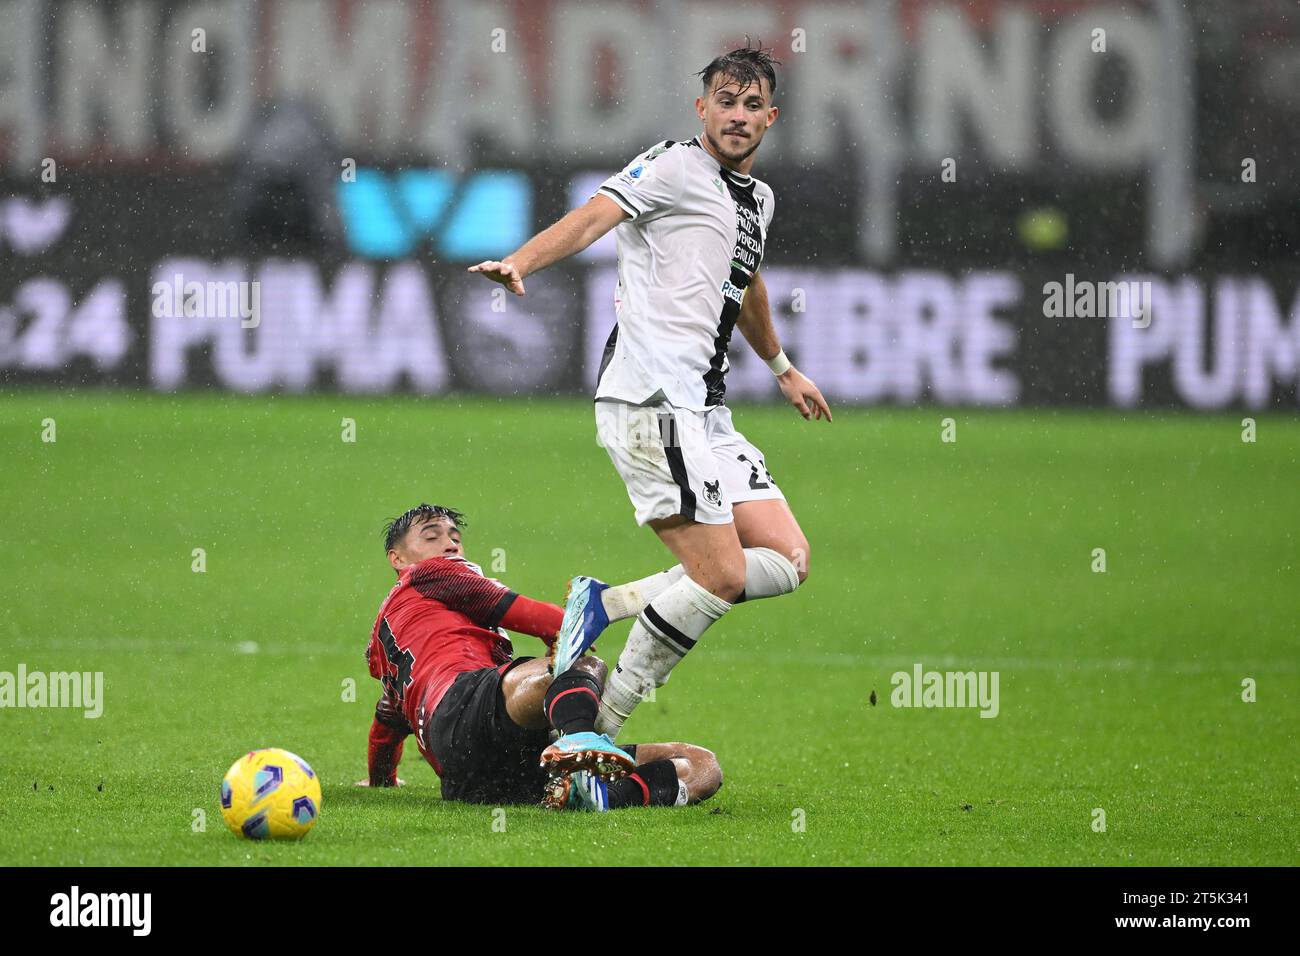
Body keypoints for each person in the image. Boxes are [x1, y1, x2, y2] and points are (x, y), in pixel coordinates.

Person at [467, 42, 831, 739]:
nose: (737, 115)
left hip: (705, 408)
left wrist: (783, 368)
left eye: (752, 105)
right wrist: (522, 261)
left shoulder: (760, 199)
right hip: (651, 401)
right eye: (725, 100)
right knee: (720, 575)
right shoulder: (671, 165)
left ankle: (605, 603)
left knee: (787, 559)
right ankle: (589, 735)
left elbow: (745, 282)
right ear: (702, 108)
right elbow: (595, 214)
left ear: (771, 118)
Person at [357, 503, 722, 811]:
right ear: (398, 558)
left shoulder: (385, 641)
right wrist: (568, 629)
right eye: (432, 536)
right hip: (466, 705)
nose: (449, 544)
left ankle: (593, 794)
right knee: (580, 664)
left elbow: (387, 722)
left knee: (703, 766)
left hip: (474, 779)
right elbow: (516, 610)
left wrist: (382, 780)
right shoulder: (432, 572)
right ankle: (578, 740)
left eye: (454, 536)